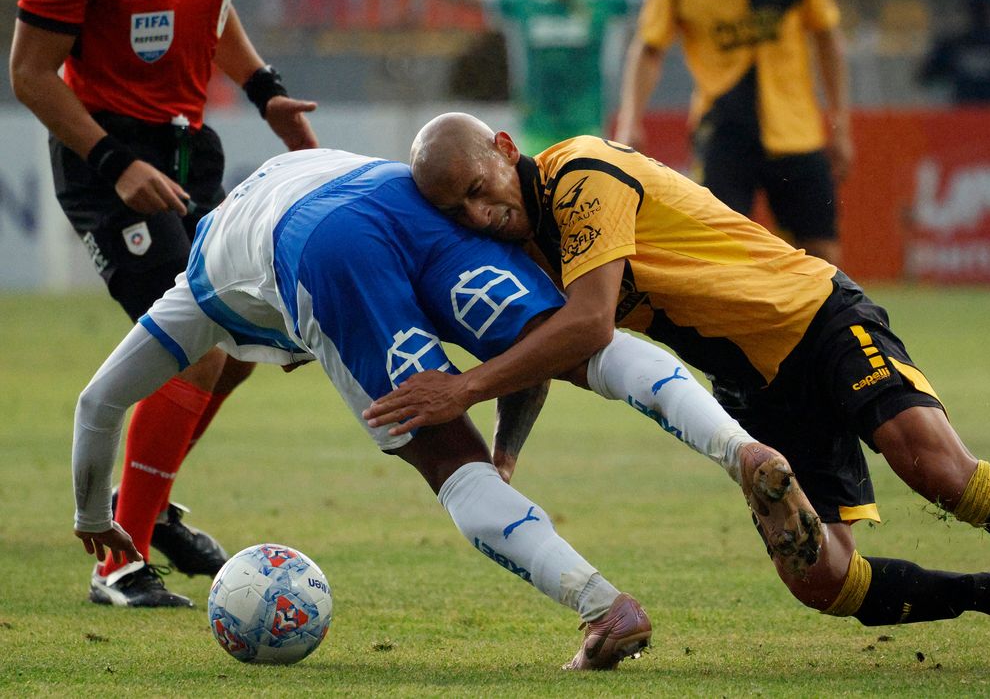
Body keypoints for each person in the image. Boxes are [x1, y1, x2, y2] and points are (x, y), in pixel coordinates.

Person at [367, 113, 990, 676]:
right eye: (459, 210)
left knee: (936, 468)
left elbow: (588, 326)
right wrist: (505, 450)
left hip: (813, 316)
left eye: (480, 186)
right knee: (824, 580)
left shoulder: (580, 172)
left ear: (505, 148)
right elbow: (537, 347)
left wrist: (460, 390)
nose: (481, 213)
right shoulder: (526, 252)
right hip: (754, 385)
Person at [71, 146, 822, 669]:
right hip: (399, 193)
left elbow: (98, 402)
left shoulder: (197, 286)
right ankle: (740, 448)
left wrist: (92, 516)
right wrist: (510, 440)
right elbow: (535, 363)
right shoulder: (303, 168)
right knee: (567, 341)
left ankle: (604, 608)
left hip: (314, 248)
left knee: (451, 465)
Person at [10, 0, 318, 606]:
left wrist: (265, 91)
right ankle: (117, 568)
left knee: (241, 345)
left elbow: (212, 12)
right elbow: (29, 73)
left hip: (186, 151)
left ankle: (142, 508)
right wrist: (116, 164)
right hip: (104, 157)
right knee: (198, 345)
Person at [613, 0, 852, 264]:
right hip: (722, 130)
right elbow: (649, 47)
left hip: (796, 127)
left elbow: (826, 35)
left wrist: (840, 125)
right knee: (718, 253)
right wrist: (630, 122)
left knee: (822, 254)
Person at [400, 0, 632, 153]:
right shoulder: (525, 6)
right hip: (536, 128)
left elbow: (648, 2)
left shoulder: (603, 7)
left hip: (586, 125)